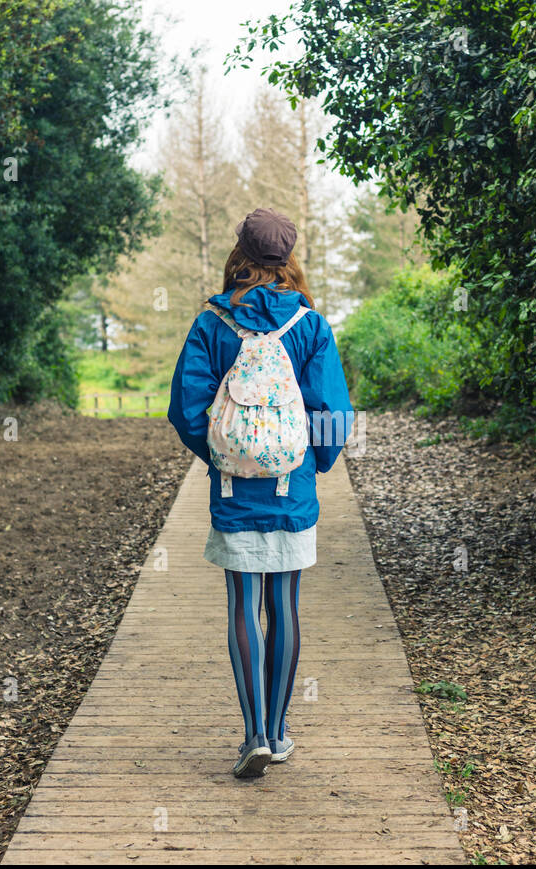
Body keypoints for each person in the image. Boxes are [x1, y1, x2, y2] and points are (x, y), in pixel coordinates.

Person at [168, 208, 354, 778]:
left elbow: (184, 409)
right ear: (288, 260)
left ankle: (252, 735)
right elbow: (332, 416)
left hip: (233, 490)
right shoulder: (309, 325)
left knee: (243, 605)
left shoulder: (212, 323)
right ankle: (278, 730)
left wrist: (224, 456)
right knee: (286, 606)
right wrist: (308, 466)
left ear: (239, 256)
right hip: (290, 490)